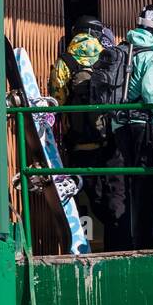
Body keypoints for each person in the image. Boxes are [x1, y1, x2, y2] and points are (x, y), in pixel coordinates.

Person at [103, 4, 153, 250]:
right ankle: (146, 243)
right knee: (147, 186)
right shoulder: (150, 55)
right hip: (145, 127)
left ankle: (127, 242)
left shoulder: (126, 48)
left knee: (128, 185)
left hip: (119, 125)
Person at [48, 15, 111, 215]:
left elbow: (56, 100)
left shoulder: (65, 61)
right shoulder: (107, 57)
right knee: (110, 192)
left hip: (77, 139)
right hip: (106, 139)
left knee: (80, 191)